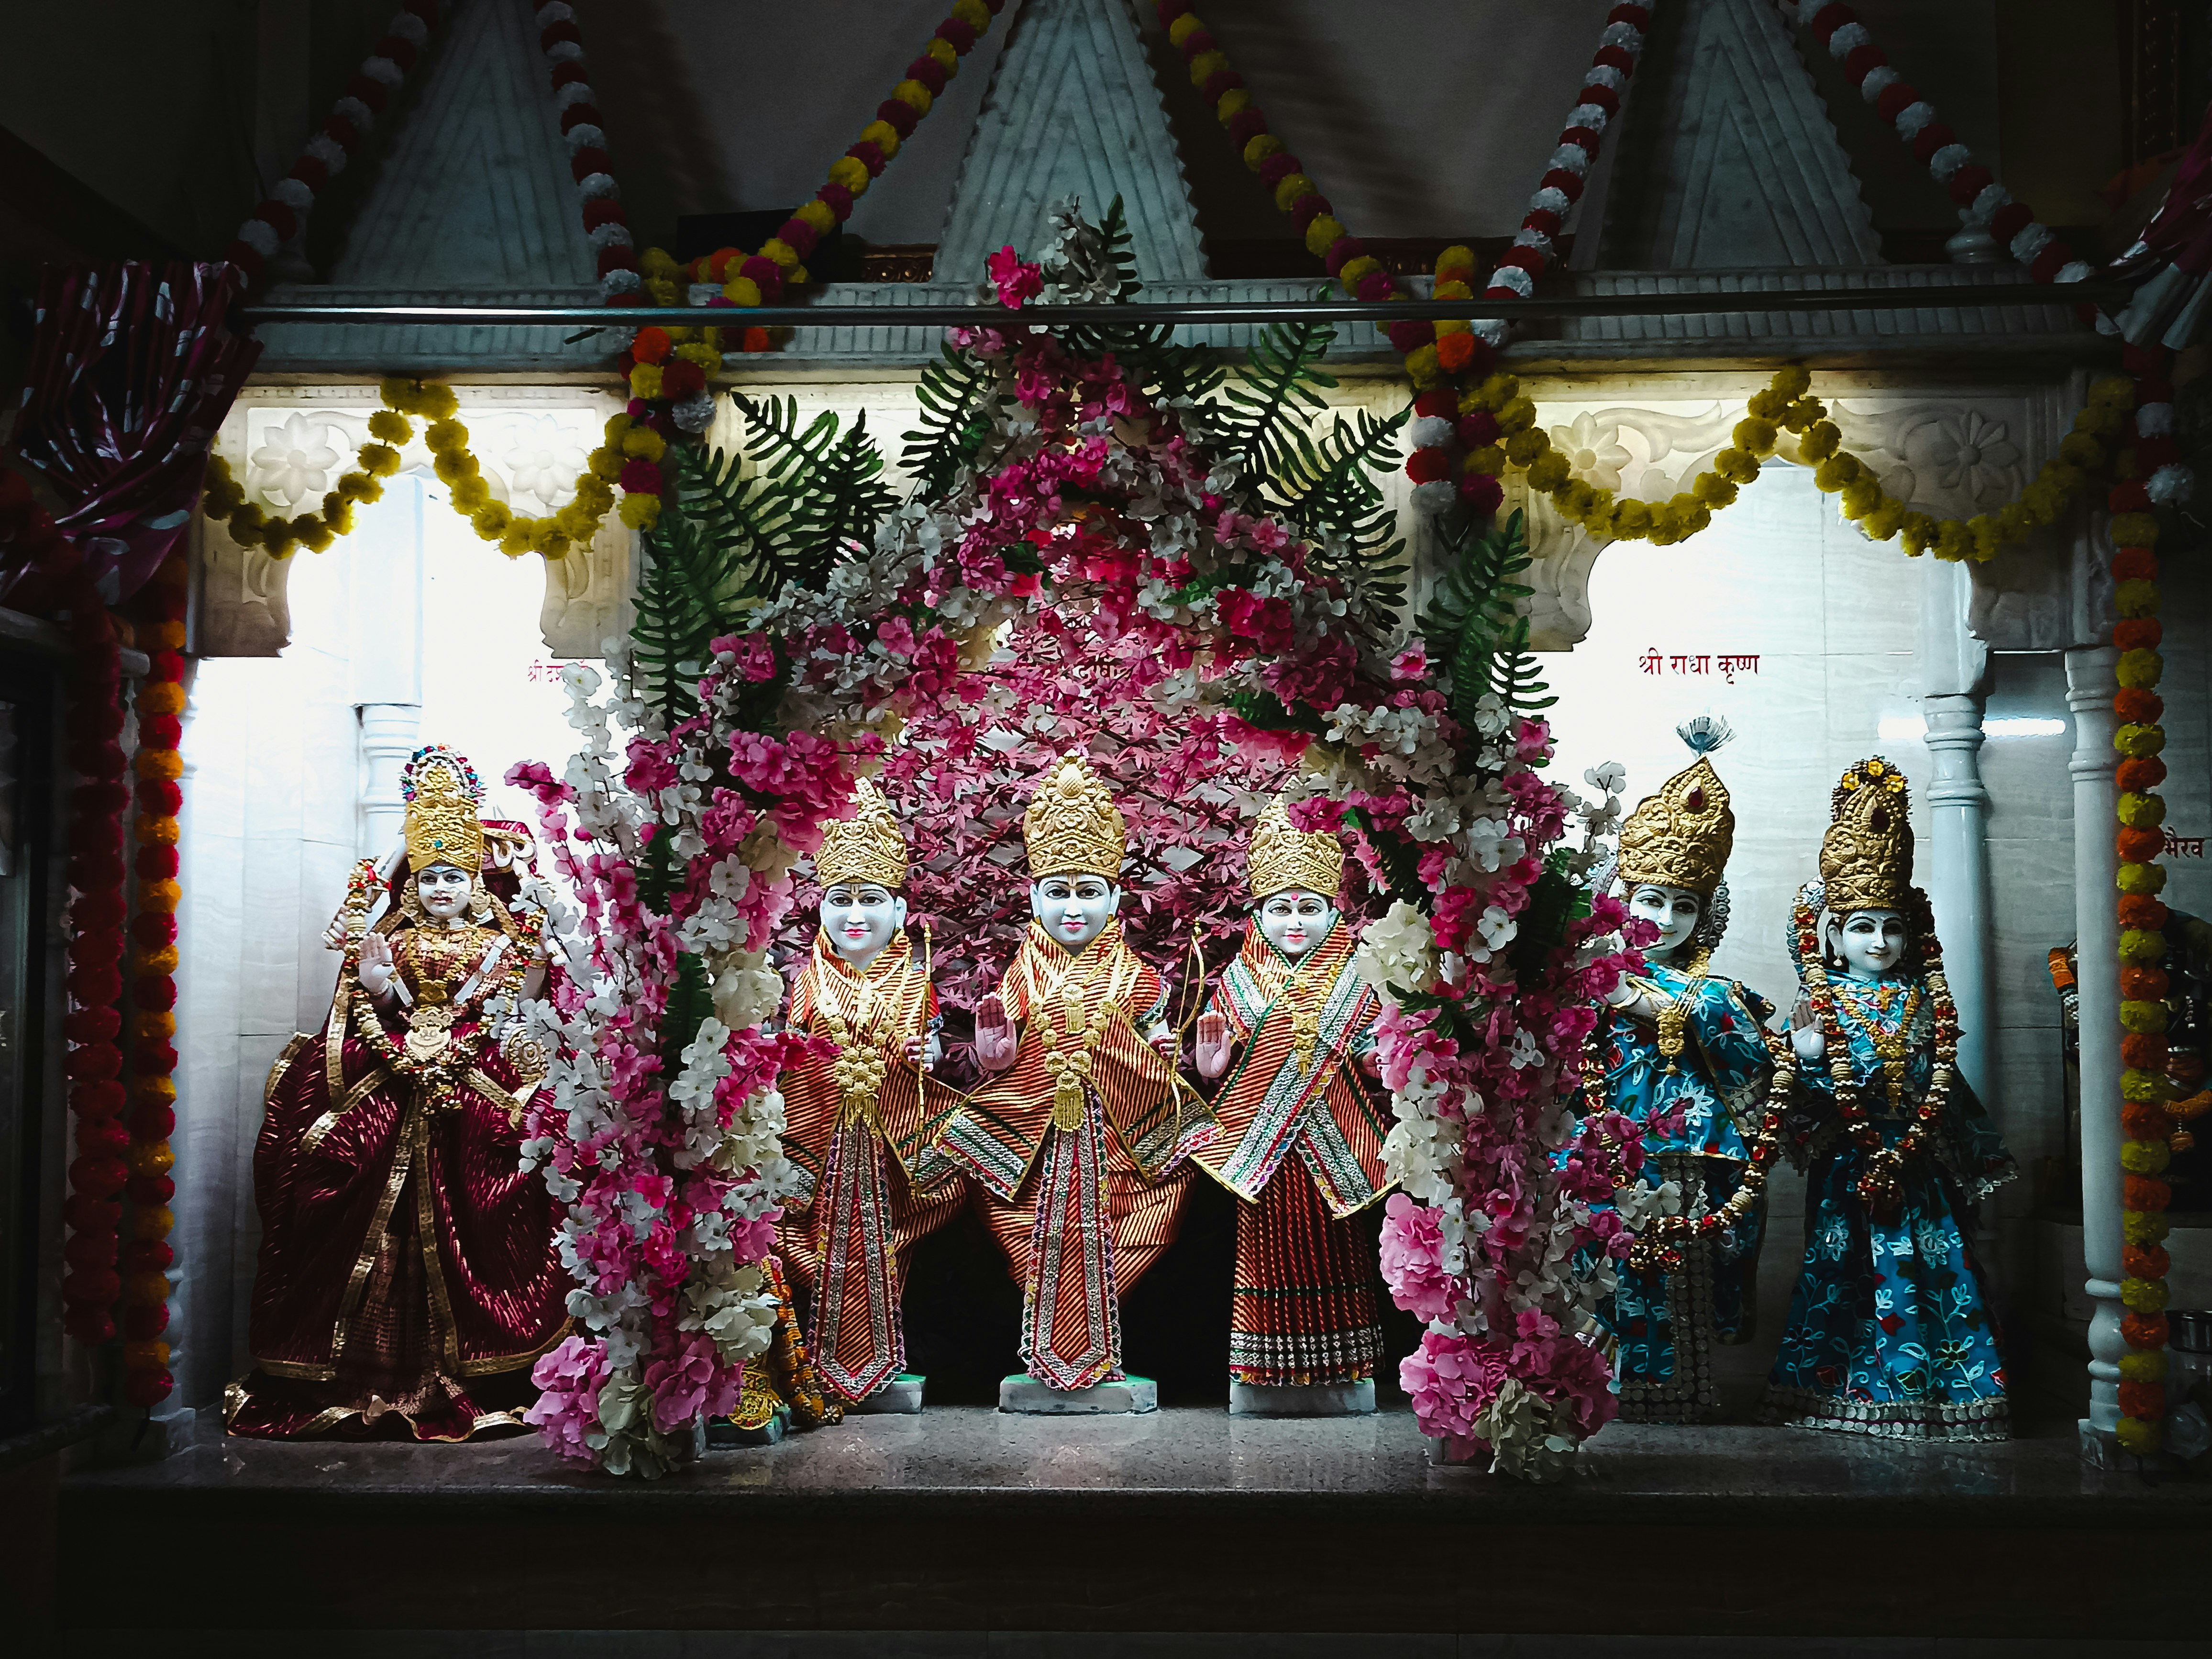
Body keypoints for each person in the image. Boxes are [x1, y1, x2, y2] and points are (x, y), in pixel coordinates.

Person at [228, 746, 566, 1440]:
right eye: (431, 876)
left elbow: (515, 1012)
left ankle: (483, 1371)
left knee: (489, 1191)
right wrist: (380, 989)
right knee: (357, 1192)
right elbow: (367, 1013)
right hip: (390, 1084)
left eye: (455, 876)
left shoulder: (500, 943)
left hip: (472, 1088)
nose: (442, 888)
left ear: (476, 881)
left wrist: (504, 1002)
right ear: (414, 884)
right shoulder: (392, 939)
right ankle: (366, 1373)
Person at [923, 754, 1213, 1394]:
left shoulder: (1136, 976)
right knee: (1030, 1232)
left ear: (1115, 898)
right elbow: (1003, 1052)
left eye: (1088, 892)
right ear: (1033, 898)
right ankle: (1050, 1357)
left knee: (1150, 1212)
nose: (1073, 907)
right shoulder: (1021, 975)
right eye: (1058, 892)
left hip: (1119, 1137)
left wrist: (1160, 1052)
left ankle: (1099, 1353)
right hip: (1038, 1137)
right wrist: (996, 1059)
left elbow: (1153, 1041)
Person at [1766, 756, 2016, 1440]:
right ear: (1833, 937)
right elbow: (1792, 1103)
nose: (1879, 942)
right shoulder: (1820, 1003)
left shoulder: (1923, 999)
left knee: (1935, 1273)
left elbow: (1945, 1083)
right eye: (1862, 927)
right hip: (1848, 1167)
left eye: (1891, 926)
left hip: (1921, 1164)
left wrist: (1968, 1155)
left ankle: (1944, 1395)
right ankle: (1836, 1395)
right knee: (1843, 1272)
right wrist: (1808, 1060)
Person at [1584, 719, 1774, 1422]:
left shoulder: (1716, 993)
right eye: (1652, 900)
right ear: (1623, 898)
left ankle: (1684, 1393)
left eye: (1683, 906)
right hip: (1598, 1153)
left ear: (1705, 914)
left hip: (1688, 1159)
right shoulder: (1584, 979)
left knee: (1678, 1273)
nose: (1664, 919)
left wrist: (1644, 1003)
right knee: (1601, 1273)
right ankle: (1593, 1390)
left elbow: (1749, 1053)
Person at [1192, 792, 1390, 1405]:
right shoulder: (1237, 981)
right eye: (1280, 909)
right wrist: (1211, 1068)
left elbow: (1374, 1051)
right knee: (1267, 1257)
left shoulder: (1359, 980)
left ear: (1333, 912)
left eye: (1309, 908)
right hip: (1264, 1155)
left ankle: (1345, 1372)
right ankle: (1262, 1373)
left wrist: (1378, 1062)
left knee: (1338, 1257)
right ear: (1258, 914)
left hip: (1337, 1149)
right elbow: (1216, 1060)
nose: (1295, 922)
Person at [774, 778, 959, 1408]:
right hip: (821, 1134)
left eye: (871, 901)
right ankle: (823, 1363)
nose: (855, 916)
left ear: (900, 912)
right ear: (821, 909)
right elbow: (793, 1056)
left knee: (884, 1244)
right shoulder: (805, 983)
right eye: (842, 901)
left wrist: (926, 1058)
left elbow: (930, 1050)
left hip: (892, 1140)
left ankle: (881, 1364)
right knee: (821, 1245)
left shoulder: (914, 982)